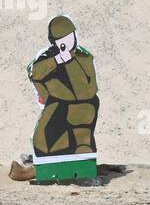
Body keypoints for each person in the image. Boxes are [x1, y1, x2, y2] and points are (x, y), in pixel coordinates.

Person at [27, 15, 99, 159]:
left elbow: (90, 89)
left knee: (81, 139)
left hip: (83, 106)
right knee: (41, 141)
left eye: (69, 37)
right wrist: (58, 60)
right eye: (61, 40)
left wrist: (70, 61)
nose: (66, 42)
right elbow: (34, 72)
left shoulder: (83, 57)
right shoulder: (48, 56)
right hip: (56, 106)